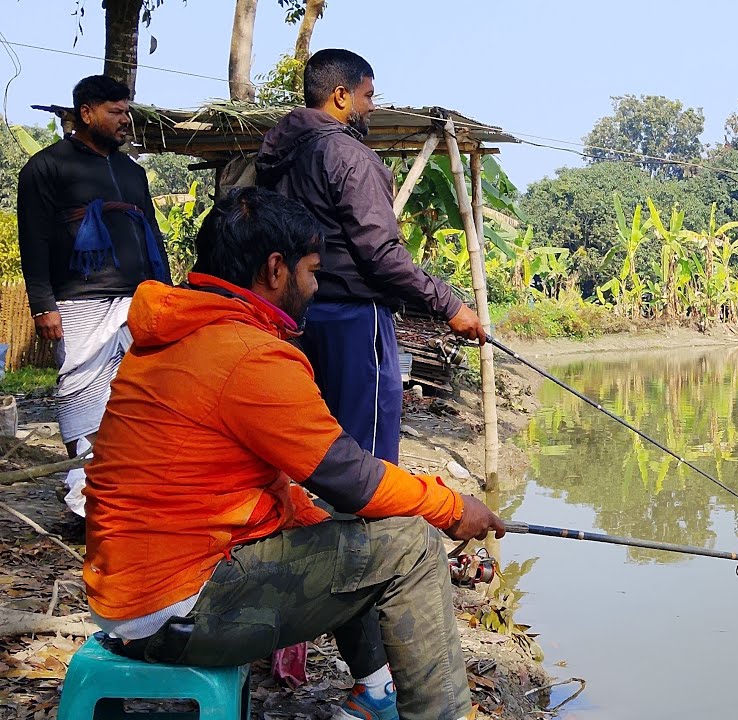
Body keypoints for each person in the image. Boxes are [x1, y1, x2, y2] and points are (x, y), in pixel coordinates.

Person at [83, 187, 505, 720]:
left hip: (127, 593)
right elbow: (349, 476)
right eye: (312, 271)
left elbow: (331, 491)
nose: (315, 285)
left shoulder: (183, 331)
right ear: (275, 269)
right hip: (176, 607)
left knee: (350, 519)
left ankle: (375, 692)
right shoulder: (247, 355)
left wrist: (346, 515)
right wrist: (451, 507)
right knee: (413, 545)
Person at [256, 48, 484, 465]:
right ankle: (368, 527)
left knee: (314, 446)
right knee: (368, 452)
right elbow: (380, 254)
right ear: (341, 96)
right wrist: (450, 306)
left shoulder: (274, 158)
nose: (372, 108)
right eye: (368, 96)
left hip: (293, 318)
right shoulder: (349, 157)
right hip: (353, 320)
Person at [16, 74, 170, 517]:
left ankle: (130, 498)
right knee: (81, 393)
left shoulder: (132, 171)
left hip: (137, 299)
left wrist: (164, 296)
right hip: (77, 300)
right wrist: (43, 304)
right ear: (86, 113)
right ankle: (86, 502)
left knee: (141, 398)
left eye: (127, 111)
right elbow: (34, 241)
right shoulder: (46, 167)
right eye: (116, 112)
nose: (125, 120)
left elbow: (152, 237)